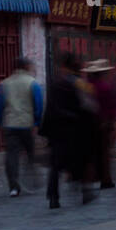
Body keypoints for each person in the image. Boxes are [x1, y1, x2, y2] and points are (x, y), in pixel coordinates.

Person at [40, 54, 95, 208]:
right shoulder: (79, 84)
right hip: (75, 128)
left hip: (57, 130)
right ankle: (85, 191)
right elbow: (87, 107)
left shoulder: (55, 84)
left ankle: (53, 197)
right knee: (81, 159)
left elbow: (50, 108)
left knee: (55, 165)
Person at [0, 56, 43, 197]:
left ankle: (13, 187)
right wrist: (37, 122)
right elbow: (39, 105)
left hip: (10, 124)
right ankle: (32, 181)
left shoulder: (4, 84)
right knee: (30, 154)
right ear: (26, 67)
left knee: (11, 156)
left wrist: (0, 122)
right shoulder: (32, 83)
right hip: (27, 124)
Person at [86, 59, 116, 189]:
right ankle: (106, 179)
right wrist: (114, 124)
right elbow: (112, 107)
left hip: (89, 125)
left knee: (91, 153)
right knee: (105, 153)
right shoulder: (106, 87)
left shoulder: (86, 86)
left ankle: (89, 178)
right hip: (104, 124)